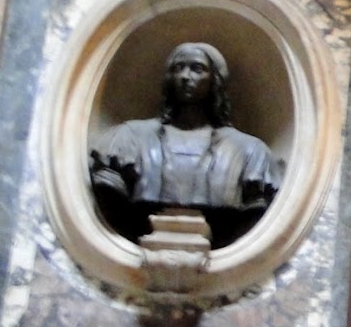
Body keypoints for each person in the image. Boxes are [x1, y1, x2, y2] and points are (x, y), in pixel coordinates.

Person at [89, 42, 282, 247]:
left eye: (197, 69)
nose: (185, 76)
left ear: (215, 81)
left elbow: (253, 212)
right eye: (178, 68)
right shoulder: (128, 138)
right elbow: (110, 199)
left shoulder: (249, 151)